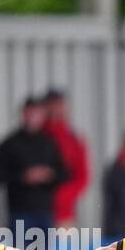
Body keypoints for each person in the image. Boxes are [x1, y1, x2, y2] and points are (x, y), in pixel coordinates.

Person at [0, 98, 67, 250]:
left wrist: (48, 175)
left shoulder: (50, 144)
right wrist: (22, 177)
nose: (33, 118)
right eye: (30, 113)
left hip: (45, 211)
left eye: (37, 114)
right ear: (23, 114)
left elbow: (64, 173)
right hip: (19, 211)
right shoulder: (9, 145)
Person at [42, 89, 89, 227]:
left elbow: (83, 177)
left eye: (59, 106)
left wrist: (61, 197)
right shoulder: (36, 137)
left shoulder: (73, 140)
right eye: (52, 106)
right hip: (34, 210)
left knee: (63, 247)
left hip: (63, 214)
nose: (56, 110)